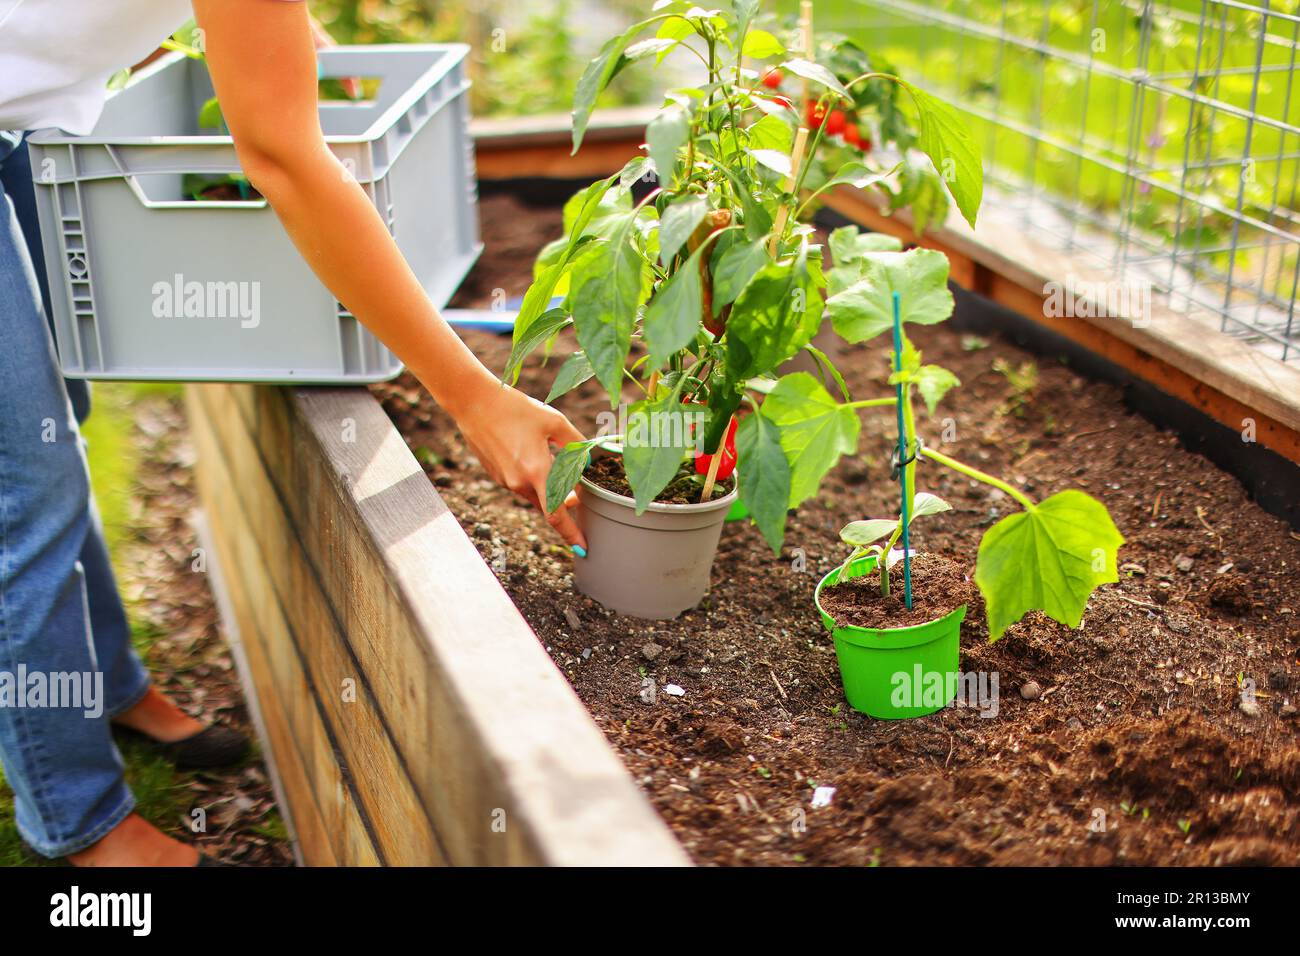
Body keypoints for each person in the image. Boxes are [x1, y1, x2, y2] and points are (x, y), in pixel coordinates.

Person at [0, 0, 588, 867]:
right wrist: (474, 396)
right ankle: (79, 820)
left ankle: (104, 685)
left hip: (21, 112)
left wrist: (347, 88)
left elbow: (267, 38)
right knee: (24, 482)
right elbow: (280, 155)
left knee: (60, 420)